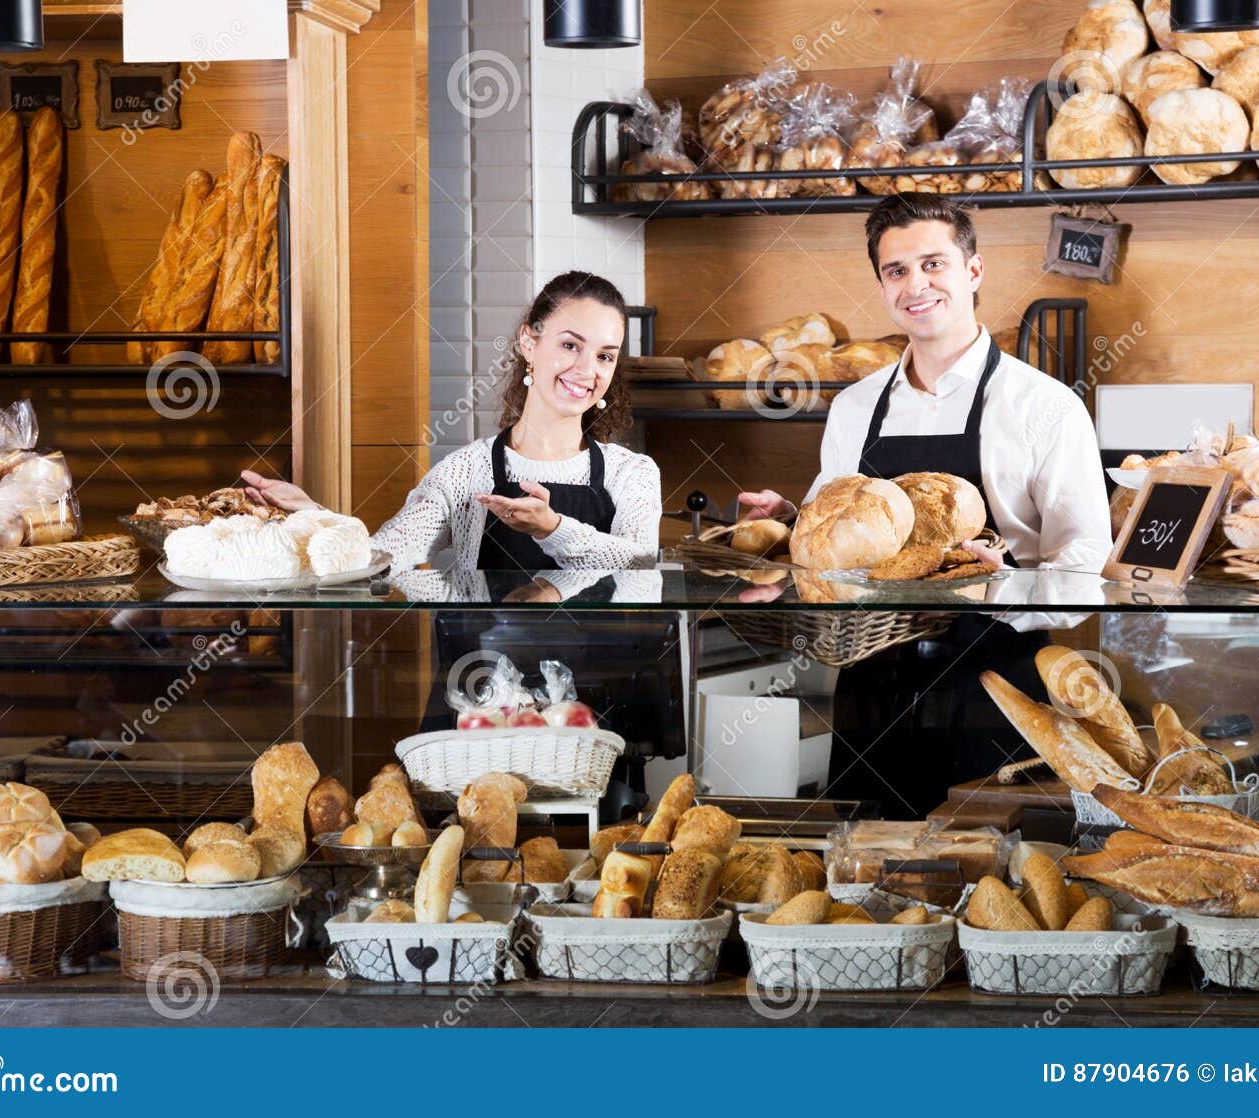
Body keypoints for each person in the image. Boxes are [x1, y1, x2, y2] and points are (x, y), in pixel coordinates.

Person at [737, 194, 1111, 818]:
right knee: (862, 874)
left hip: (997, 684)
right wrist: (786, 526)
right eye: (897, 271)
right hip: (870, 683)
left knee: (998, 872)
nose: (917, 285)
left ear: (973, 270)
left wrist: (998, 588)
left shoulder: (1043, 406)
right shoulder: (854, 407)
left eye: (933, 264)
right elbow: (834, 556)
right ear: (882, 286)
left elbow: (1085, 562)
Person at [244, 270, 662, 575]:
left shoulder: (633, 473)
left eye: (605, 355)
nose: (587, 370)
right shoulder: (468, 471)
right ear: (528, 343)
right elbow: (382, 558)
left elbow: (641, 563)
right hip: (482, 685)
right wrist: (315, 517)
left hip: (600, 685)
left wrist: (551, 528)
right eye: (570, 345)